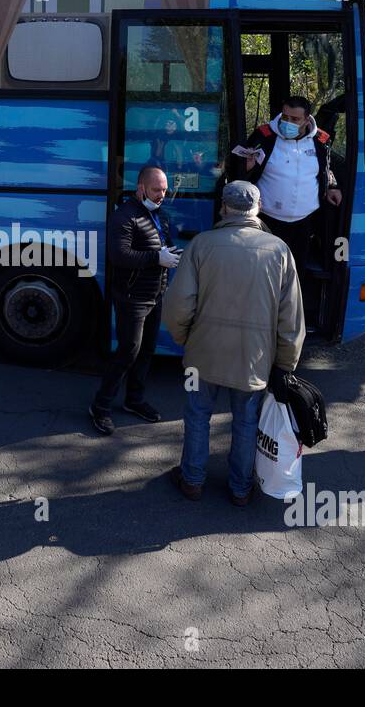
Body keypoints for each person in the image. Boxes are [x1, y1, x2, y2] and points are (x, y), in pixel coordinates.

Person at [162, 180, 305, 505]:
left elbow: (178, 306)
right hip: (254, 358)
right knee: (246, 420)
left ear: (223, 208)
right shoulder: (279, 250)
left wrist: (186, 339)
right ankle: (240, 488)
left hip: (204, 353)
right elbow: (291, 319)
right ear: (258, 209)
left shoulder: (201, 244)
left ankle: (192, 480)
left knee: (198, 415)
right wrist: (286, 363)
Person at [89, 165, 178, 436]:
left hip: (155, 293)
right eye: (156, 189)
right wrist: (156, 258)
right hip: (132, 297)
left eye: (164, 189)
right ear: (141, 188)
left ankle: (134, 400)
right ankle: (100, 406)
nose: (162, 194)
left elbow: (162, 246)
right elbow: (120, 256)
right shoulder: (124, 216)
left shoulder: (158, 215)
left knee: (147, 350)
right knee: (128, 351)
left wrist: (172, 255)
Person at [225, 95, 341, 275]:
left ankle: (291, 303)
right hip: (268, 220)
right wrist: (245, 167)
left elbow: (326, 169)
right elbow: (239, 170)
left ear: (307, 120)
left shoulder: (320, 140)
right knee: (264, 271)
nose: (288, 122)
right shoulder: (264, 135)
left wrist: (332, 187)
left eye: (295, 119)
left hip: (304, 222)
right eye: (285, 117)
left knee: (295, 273)